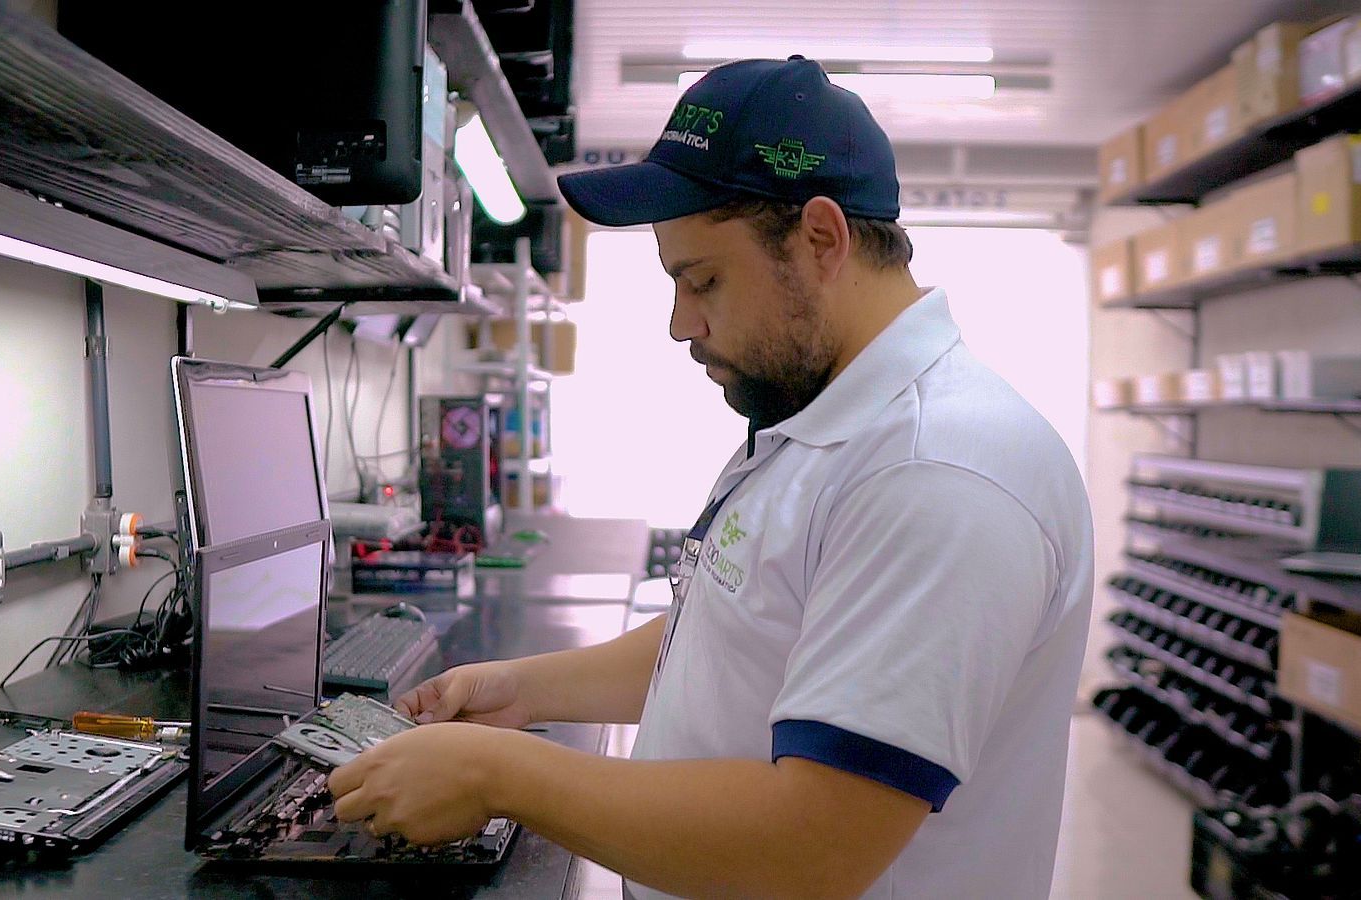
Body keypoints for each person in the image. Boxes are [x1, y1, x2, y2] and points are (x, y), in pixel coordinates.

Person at [329, 56, 1094, 899]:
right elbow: (743, 632)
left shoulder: (939, 476)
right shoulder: (824, 416)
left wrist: (498, 775)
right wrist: (521, 689)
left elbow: (815, 845)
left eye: (703, 281)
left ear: (822, 240)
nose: (679, 322)